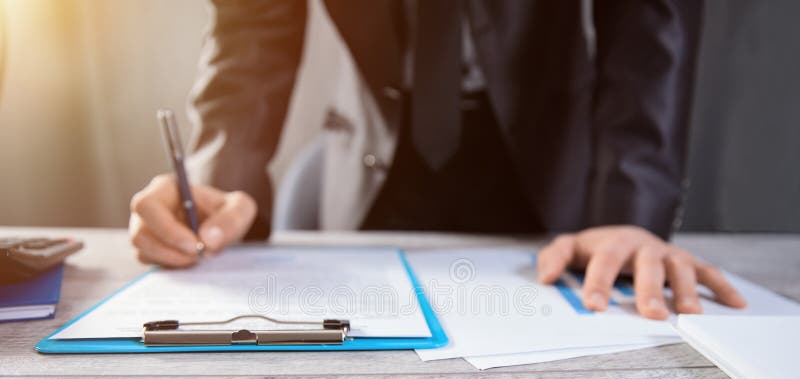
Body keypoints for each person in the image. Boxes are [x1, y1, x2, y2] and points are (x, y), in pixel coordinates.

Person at [129, 0, 746, 320]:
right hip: (374, 166)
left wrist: (630, 211)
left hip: (548, 175)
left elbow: (649, 21)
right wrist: (213, 191)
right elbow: (252, 27)